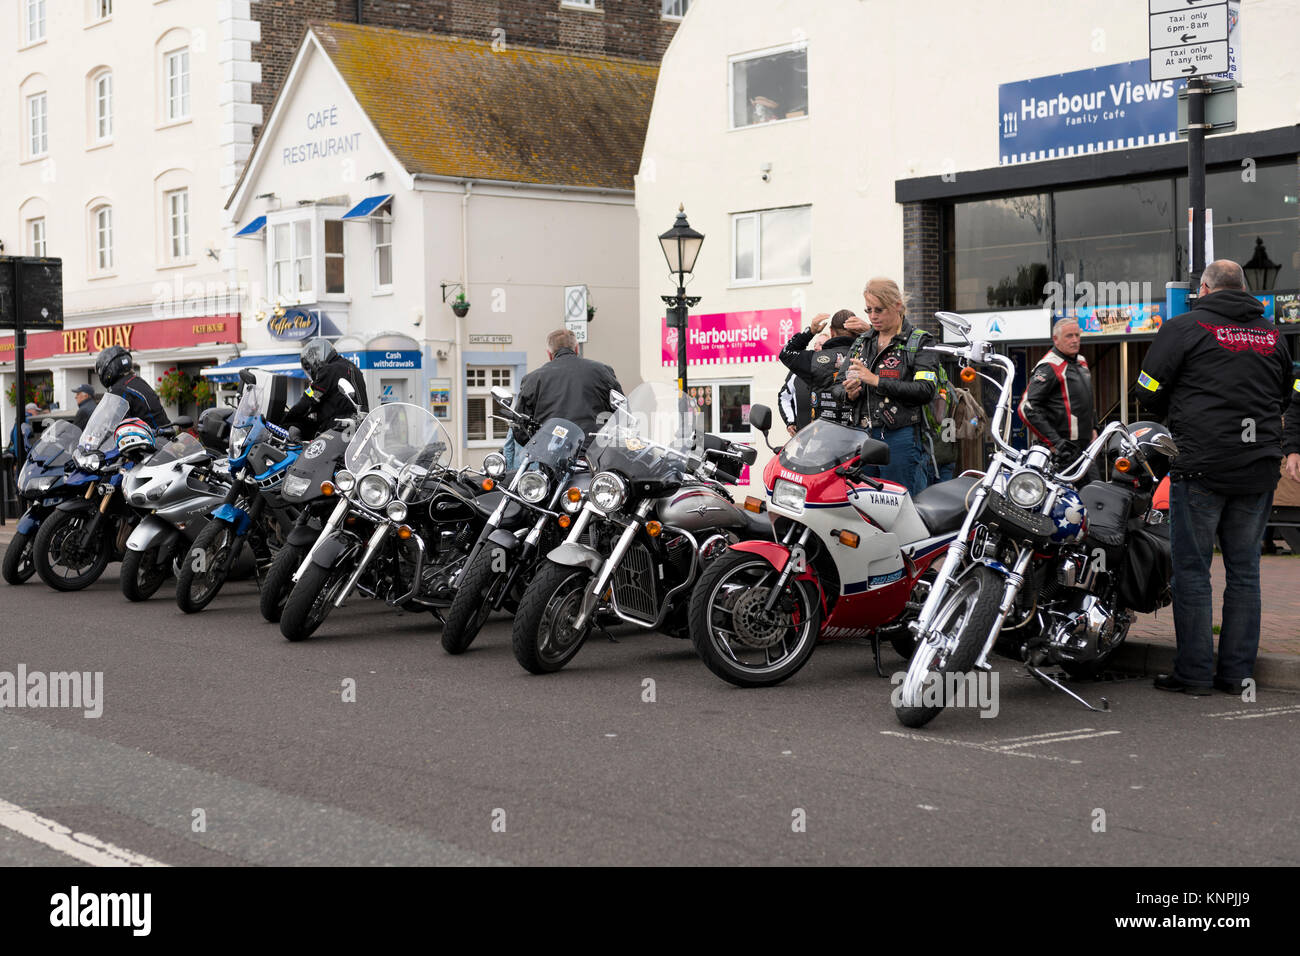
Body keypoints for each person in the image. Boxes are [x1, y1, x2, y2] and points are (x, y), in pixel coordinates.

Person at [1132, 260, 1295, 696]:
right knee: (1245, 573)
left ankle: (1195, 674)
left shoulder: (1184, 327)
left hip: (1201, 464)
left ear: (1203, 289)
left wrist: (1170, 410)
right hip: (1258, 468)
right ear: (1243, 288)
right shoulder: (1273, 334)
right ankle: (1237, 673)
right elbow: (1283, 394)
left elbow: (1146, 389)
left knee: (1192, 571)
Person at [833, 278, 939, 495]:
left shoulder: (920, 342)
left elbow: (925, 390)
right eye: (868, 310)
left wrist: (876, 381)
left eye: (879, 310)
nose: (872, 316)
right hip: (862, 437)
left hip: (900, 436)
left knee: (900, 505)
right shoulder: (862, 342)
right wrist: (849, 393)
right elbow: (835, 387)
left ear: (897, 306)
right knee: (865, 507)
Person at [514, 329, 622, 440]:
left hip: (550, 451)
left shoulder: (533, 379)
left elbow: (520, 427)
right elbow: (621, 411)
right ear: (576, 349)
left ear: (549, 354)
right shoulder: (602, 371)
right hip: (593, 450)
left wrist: (534, 442)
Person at [1018, 317, 1097, 468]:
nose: (1074, 340)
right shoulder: (1050, 366)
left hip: (1085, 448)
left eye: (1077, 335)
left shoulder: (1081, 362)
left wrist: (1094, 427)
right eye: (1069, 336)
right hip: (1064, 452)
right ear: (1056, 339)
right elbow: (1027, 407)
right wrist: (1056, 442)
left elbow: (1087, 399)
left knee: (1093, 490)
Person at [779, 309, 865, 433]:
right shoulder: (868, 355)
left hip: (822, 438)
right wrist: (869, 331)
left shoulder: (814, 359)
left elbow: (786, 353)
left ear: (831, 331)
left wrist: (810, 331)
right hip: (859, 437)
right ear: (857, 331)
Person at [283, 338, 368, 439]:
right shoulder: (352, 367)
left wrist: (286, 419)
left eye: (309, 366)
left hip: (337, 429)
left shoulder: (329, 370)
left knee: (297, 426)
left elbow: (310, 397)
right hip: (359, 427)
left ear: (315, 357)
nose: (311, 369)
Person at [94, 346, 170, 430]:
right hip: (163, 435)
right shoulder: (136, 381)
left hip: (153, 438)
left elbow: (114, 423)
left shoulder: (119, 389)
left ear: (108, 369)